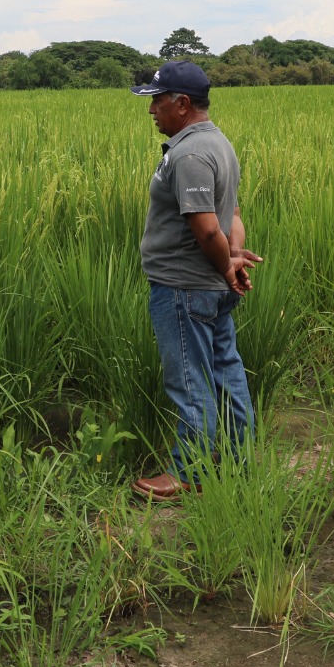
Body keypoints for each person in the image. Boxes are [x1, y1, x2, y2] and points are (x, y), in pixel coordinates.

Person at [127, 60, 261, 500]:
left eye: (157, 101)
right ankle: (240, 461)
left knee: (189, 379)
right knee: (226, 373)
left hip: (185, 287)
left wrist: (225, 265)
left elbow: (206, 228)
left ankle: (190, 472)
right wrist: (234, 256)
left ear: (182, 104)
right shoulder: (218, 143)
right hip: (209, 287)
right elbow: (232, 215)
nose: (152, 111)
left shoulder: (189, 154)